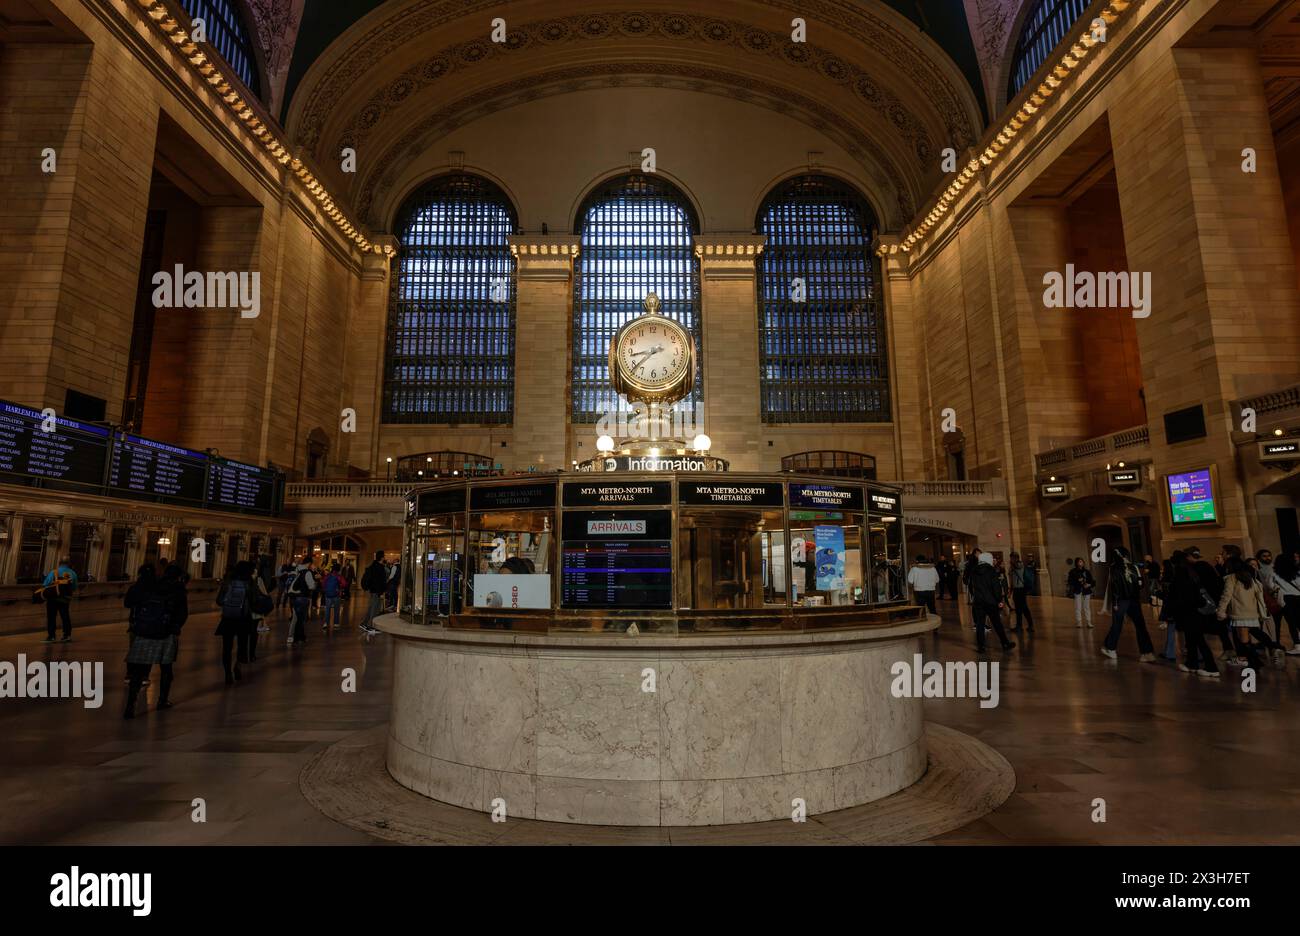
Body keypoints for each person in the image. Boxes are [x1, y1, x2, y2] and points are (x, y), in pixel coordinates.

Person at [123, 563, 188, 717]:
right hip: (166, 633)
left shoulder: (153, 584)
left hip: (145, 631)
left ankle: (130, 705)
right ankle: (162, 700)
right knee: (166, 669)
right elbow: (182, 613)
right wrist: (176, 627)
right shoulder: (178, 590)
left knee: (139, 671)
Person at [1217, 556, 1284, 669]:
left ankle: (1251, 662)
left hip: (1239, 613)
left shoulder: (1231, 578)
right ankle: (1262, 656)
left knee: (1244, 640)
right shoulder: (1250, 578)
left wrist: (1221, 610)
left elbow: (1226, 596)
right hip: (1252, 613)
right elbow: (1259, 594)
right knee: (1249, 636)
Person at [1166, 550, 1219, 678]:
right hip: (1196, 612)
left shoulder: (1180, 575)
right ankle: (1192, 664)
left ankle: (1211, 668)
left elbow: (1179, 596)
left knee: (1199, 640)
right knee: (1192, 640)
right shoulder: (1192, 572)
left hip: (1188, 612)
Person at [1100, 546, 1157, 663]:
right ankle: (1147, 653)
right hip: (1134, 600)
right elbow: (1141, 584)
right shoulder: (1134, 567)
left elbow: (1115, 587)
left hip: (1121, 601)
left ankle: (1111, 649)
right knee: (1140, 625)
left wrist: (1114, 603)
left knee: (1117, 625)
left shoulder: (1114, 568)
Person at [215, 561, 256, 685]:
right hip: (243, 618)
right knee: (242, 645)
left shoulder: (228, 582)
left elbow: (219, 601)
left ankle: (227, 673)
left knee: (226, 647)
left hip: (228, 619)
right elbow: (254, 601)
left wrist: (229, 604)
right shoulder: (249, 582)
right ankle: (237, 666)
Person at [968, 551, 1015, 652]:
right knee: (997, 623)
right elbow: (996, 587)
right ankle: (1005, 643)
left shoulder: (974, 571)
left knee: (980, 624)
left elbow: (971, 586)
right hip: (991, 602)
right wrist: (999, 600)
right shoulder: (991, 570)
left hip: (979, 601)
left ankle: (981, 647)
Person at [39, 556, 79, 643]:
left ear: (59, 563)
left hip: (53, 599)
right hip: (65, 599)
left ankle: (51, 636)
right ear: (69, 563)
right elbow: (74, 587)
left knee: (51, 617)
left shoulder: (54, 572)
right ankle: (67, 635)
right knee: (65, 617)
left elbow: (45, 584)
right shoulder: (73, 573)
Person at [1269, 552, 1300, 654]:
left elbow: (1270, 586)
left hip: (1286, 599)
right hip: (1298, 597)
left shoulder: (1273, 574)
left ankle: (1297, 645)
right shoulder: (1296, 573)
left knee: (1291, 623)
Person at [285, 559, 315, 645]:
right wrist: (314, 584)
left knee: (296, 618)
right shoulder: (307, 572)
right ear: (309, 563)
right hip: (302, 597)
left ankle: (295, 636)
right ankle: (297, 637)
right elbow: (311, 586)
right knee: (300, 619)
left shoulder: (296, 570)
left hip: (294, 597)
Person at [359, 550, 388, 635]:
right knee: (374, 609)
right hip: (377, 591)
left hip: (373, 590)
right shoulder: (380, 567)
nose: (384, 557)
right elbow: (381, 581)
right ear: (382, 557)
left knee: (371, 607)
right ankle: (371, 626)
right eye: (384, 556)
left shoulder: (373, 565)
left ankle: (364, 624)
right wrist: (382, 591)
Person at [1008, 551, 1035, 633]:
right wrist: (1011, 590)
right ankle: (1019, 626)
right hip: (1016, 590)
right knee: (1019, 609)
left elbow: (1017, 568)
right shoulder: (1012, 566)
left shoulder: (1020, 565)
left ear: (1016, 558)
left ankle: (1030, 625)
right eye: (1011, 557)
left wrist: (1012, 564)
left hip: (1021, 589)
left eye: (1012, 557)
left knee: (1024, 608)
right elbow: (1012, 579)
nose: (1011, 559)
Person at [1067, 557, 1095, 628]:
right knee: (1078, 607)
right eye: (1079, 561)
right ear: (1076, 563)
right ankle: (1079, 622)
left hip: (1087, 591)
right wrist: (1077, 581)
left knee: (1087, 607)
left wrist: (1089, 584)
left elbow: (1092, 581)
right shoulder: (1073, 572)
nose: (1081, 563)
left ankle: (1089, 622)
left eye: (1082, 561)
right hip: (1077, 591)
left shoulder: (1087, 571)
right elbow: (1070, 582)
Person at [320, 563, 344, 632]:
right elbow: (344, 584)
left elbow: (323, 583)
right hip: (336, 595)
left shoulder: (328, 575)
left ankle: (326, 623)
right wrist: (339, 587)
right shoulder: (338, 576)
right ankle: (336, 624)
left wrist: (326, 590)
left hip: (328, 595)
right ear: (339, 569)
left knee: (327, 610)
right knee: (336, 609)